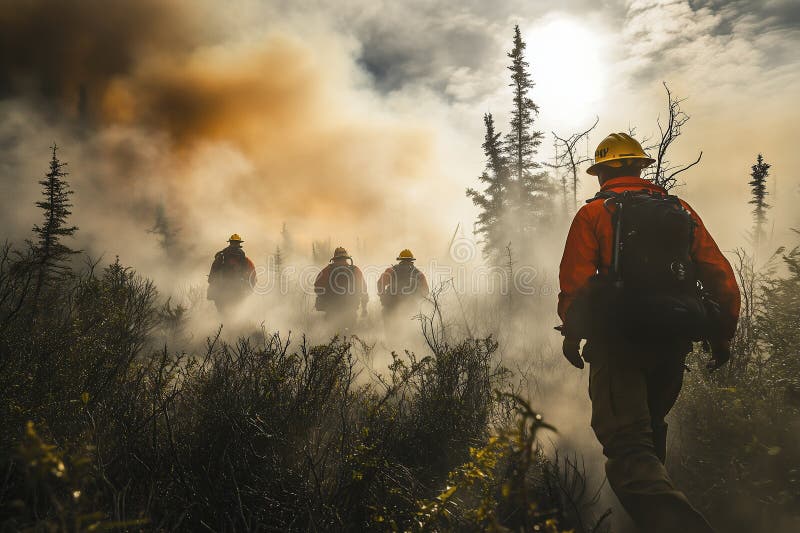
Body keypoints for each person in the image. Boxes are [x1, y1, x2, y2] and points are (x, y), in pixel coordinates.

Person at [557, 133, 740, 533]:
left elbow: (575, 283)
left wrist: (572, 334)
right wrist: (722, 334)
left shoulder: (594, 213)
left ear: (602, 171)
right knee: (650, 434)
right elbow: (720, 276)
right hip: (672, 344)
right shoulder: (681, 211)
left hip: (618, 345)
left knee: (628, 448)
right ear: (639, 167)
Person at [314, 247, 368, 332]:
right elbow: (363, 289)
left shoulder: (327, 270)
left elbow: (317, 287)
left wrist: (326, 297)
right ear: (346, 258)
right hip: (350, 310)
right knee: (350, 337)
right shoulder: (355, 270)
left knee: (332, 338)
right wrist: (364, 308)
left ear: (335, 258)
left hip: (332, 310)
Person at [377, 249, 429, 336]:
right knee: (409, 334)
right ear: (411, 260)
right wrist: (415, 297)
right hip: (411, 309)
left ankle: (391, 348)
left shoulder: (391, 270)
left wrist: (383, 297)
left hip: (390, 307)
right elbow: (426, 291)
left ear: (400, 259)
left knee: (390, 334)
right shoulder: (418, 274)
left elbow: (380, 284)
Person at [207, 234, 257, 314]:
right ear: (239, 244)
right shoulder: (245, 259)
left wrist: (212, 284)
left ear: (230, 242)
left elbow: (213, 272)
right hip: (238, 290)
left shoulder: (221, 256)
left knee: (222, 312)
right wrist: (250, 288)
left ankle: (222, 324)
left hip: (221, 290)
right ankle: (233, 325)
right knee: (235, 311)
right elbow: (253, 275)